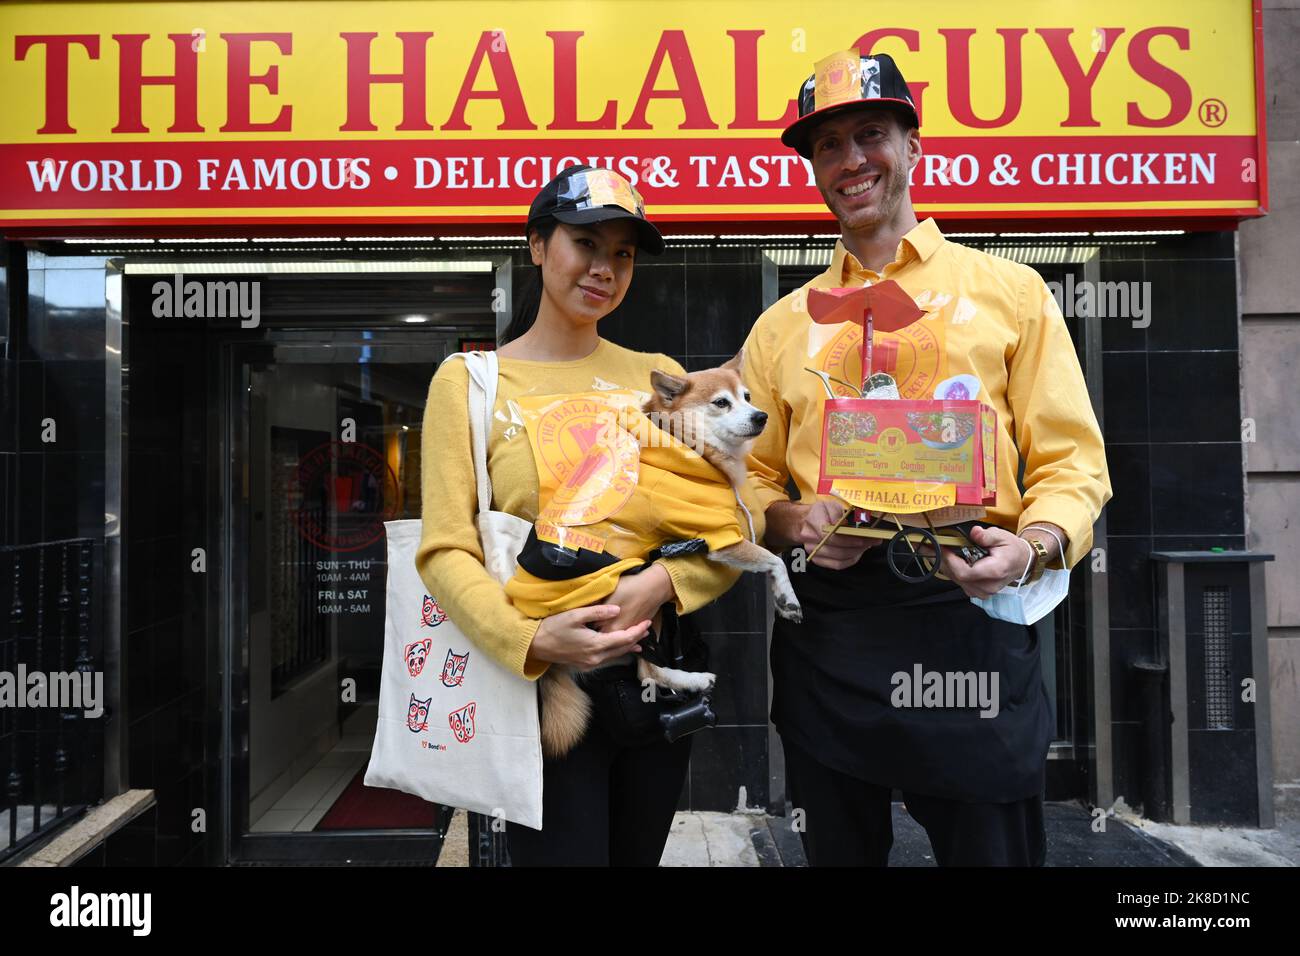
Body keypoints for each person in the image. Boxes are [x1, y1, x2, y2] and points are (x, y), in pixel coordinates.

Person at [742, 50, 1112, 866]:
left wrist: (1035, 547)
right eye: (827, 146)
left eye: (870, 134)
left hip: (967, 613)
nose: (850, 161)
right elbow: (754, 475)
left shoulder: (1010, 295)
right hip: (831, 628)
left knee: (993, 851)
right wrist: (788, 521)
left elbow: (1072, 463)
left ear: (913, 145)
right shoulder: (781, 327)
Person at [415, 165, 760, 866]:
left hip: (652, 677)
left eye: (623, 253)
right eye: (586, 244)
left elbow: (727, 519)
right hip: (541, 692)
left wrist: (661, 587)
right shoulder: (472, 383)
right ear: (538, 245)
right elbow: (445, 549)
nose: (605, 268)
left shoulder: (656, 375)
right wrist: (534, 638)